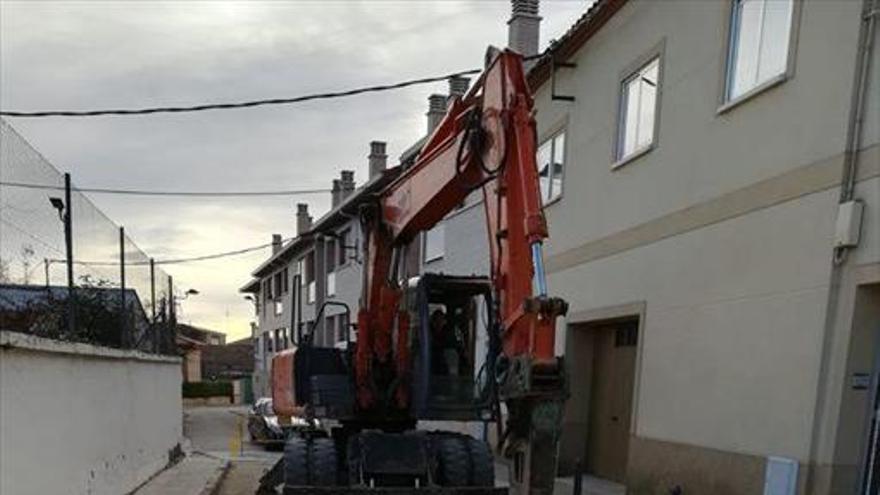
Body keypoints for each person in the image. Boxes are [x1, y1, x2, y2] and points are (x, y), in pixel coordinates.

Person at [429, 309, 460, 376]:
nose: (439, 322)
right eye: (436, 320)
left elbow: (452, 345)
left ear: (444, 321)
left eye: (441, 320)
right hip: (431, 358)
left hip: (446, 358)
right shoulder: (428, 332)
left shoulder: (449, 332)